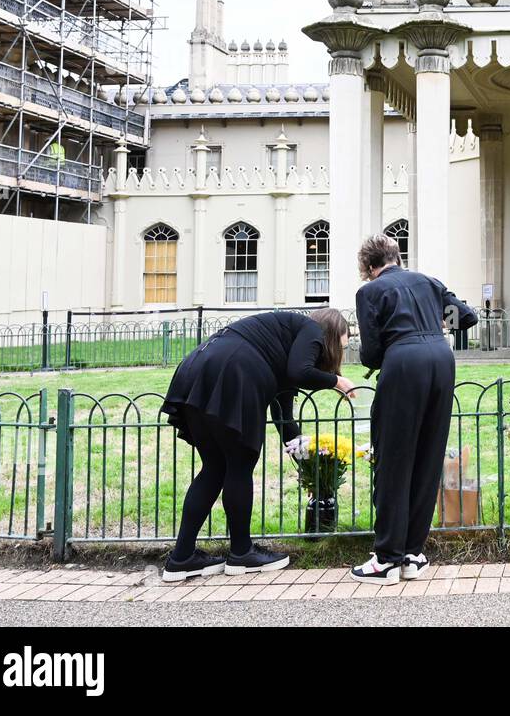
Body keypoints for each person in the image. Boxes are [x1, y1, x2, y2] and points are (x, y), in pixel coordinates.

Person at [160, 308, 354, 582]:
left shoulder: (284, 345)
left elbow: (284, 414)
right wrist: (337, 381)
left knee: (215, 468)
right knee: (239, 465)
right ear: (330, 337)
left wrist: (311, 464)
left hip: (200, 367)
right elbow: (301, 372)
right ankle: (241, 553)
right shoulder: (312, 329)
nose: (339, 354)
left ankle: (181, 559)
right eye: (341, 346)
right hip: (232, 371)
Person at [352, 235, 478, 585]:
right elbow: (467, 317)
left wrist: (405, 338)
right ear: (396, 257)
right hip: (441, 360)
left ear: (368, 266)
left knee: (394, 459)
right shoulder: (428, 282)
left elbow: (371, 354)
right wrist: (434, 325)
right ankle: (412, 553)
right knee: (428, 456)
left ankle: (386, 559)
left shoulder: (370, 293)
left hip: (404, 363)